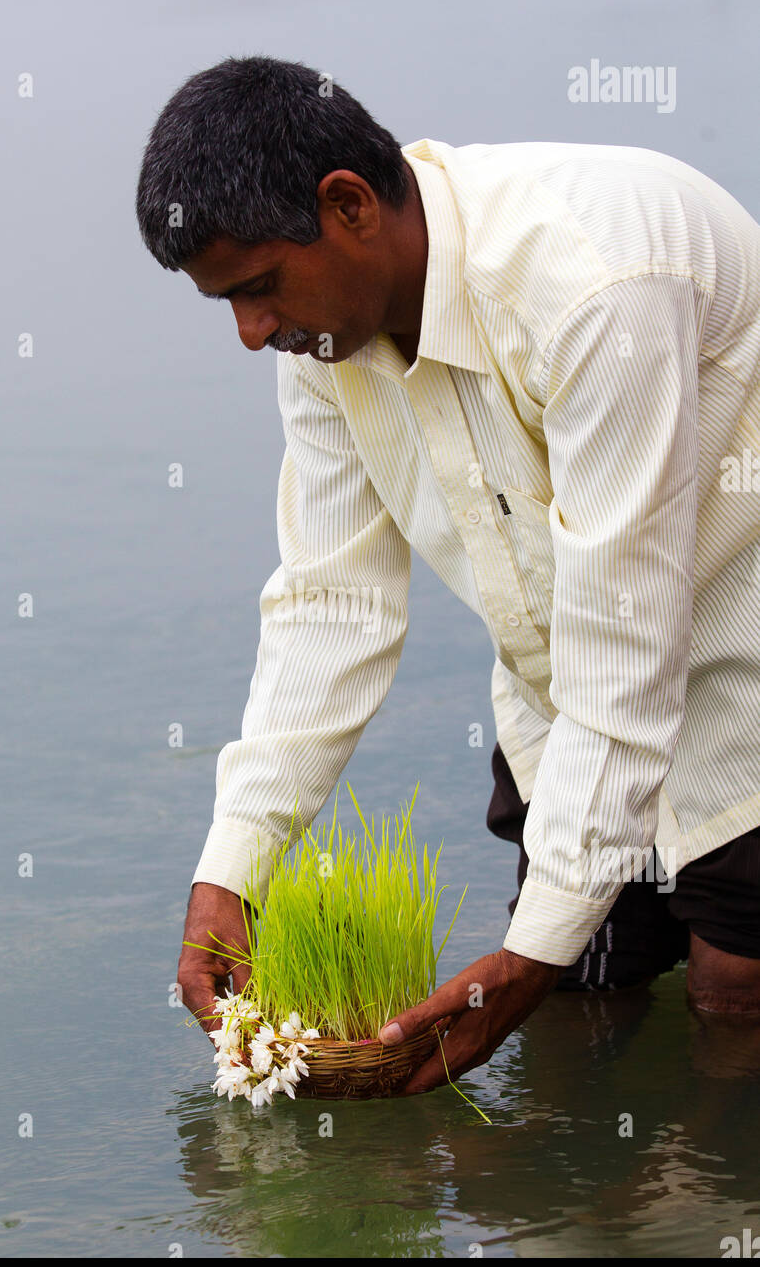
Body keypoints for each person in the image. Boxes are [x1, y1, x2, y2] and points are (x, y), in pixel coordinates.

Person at [135, 55, 760, 1094]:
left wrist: (522, 955)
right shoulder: (323, 344)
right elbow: (329, 604)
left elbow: (628, 635)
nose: (249, 335)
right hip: (567, 695)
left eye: (254, 290)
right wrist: (230, 865)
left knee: (730, 1001)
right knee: (577, 1008)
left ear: (346, 206)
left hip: (738, 676)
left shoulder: (590, 282)